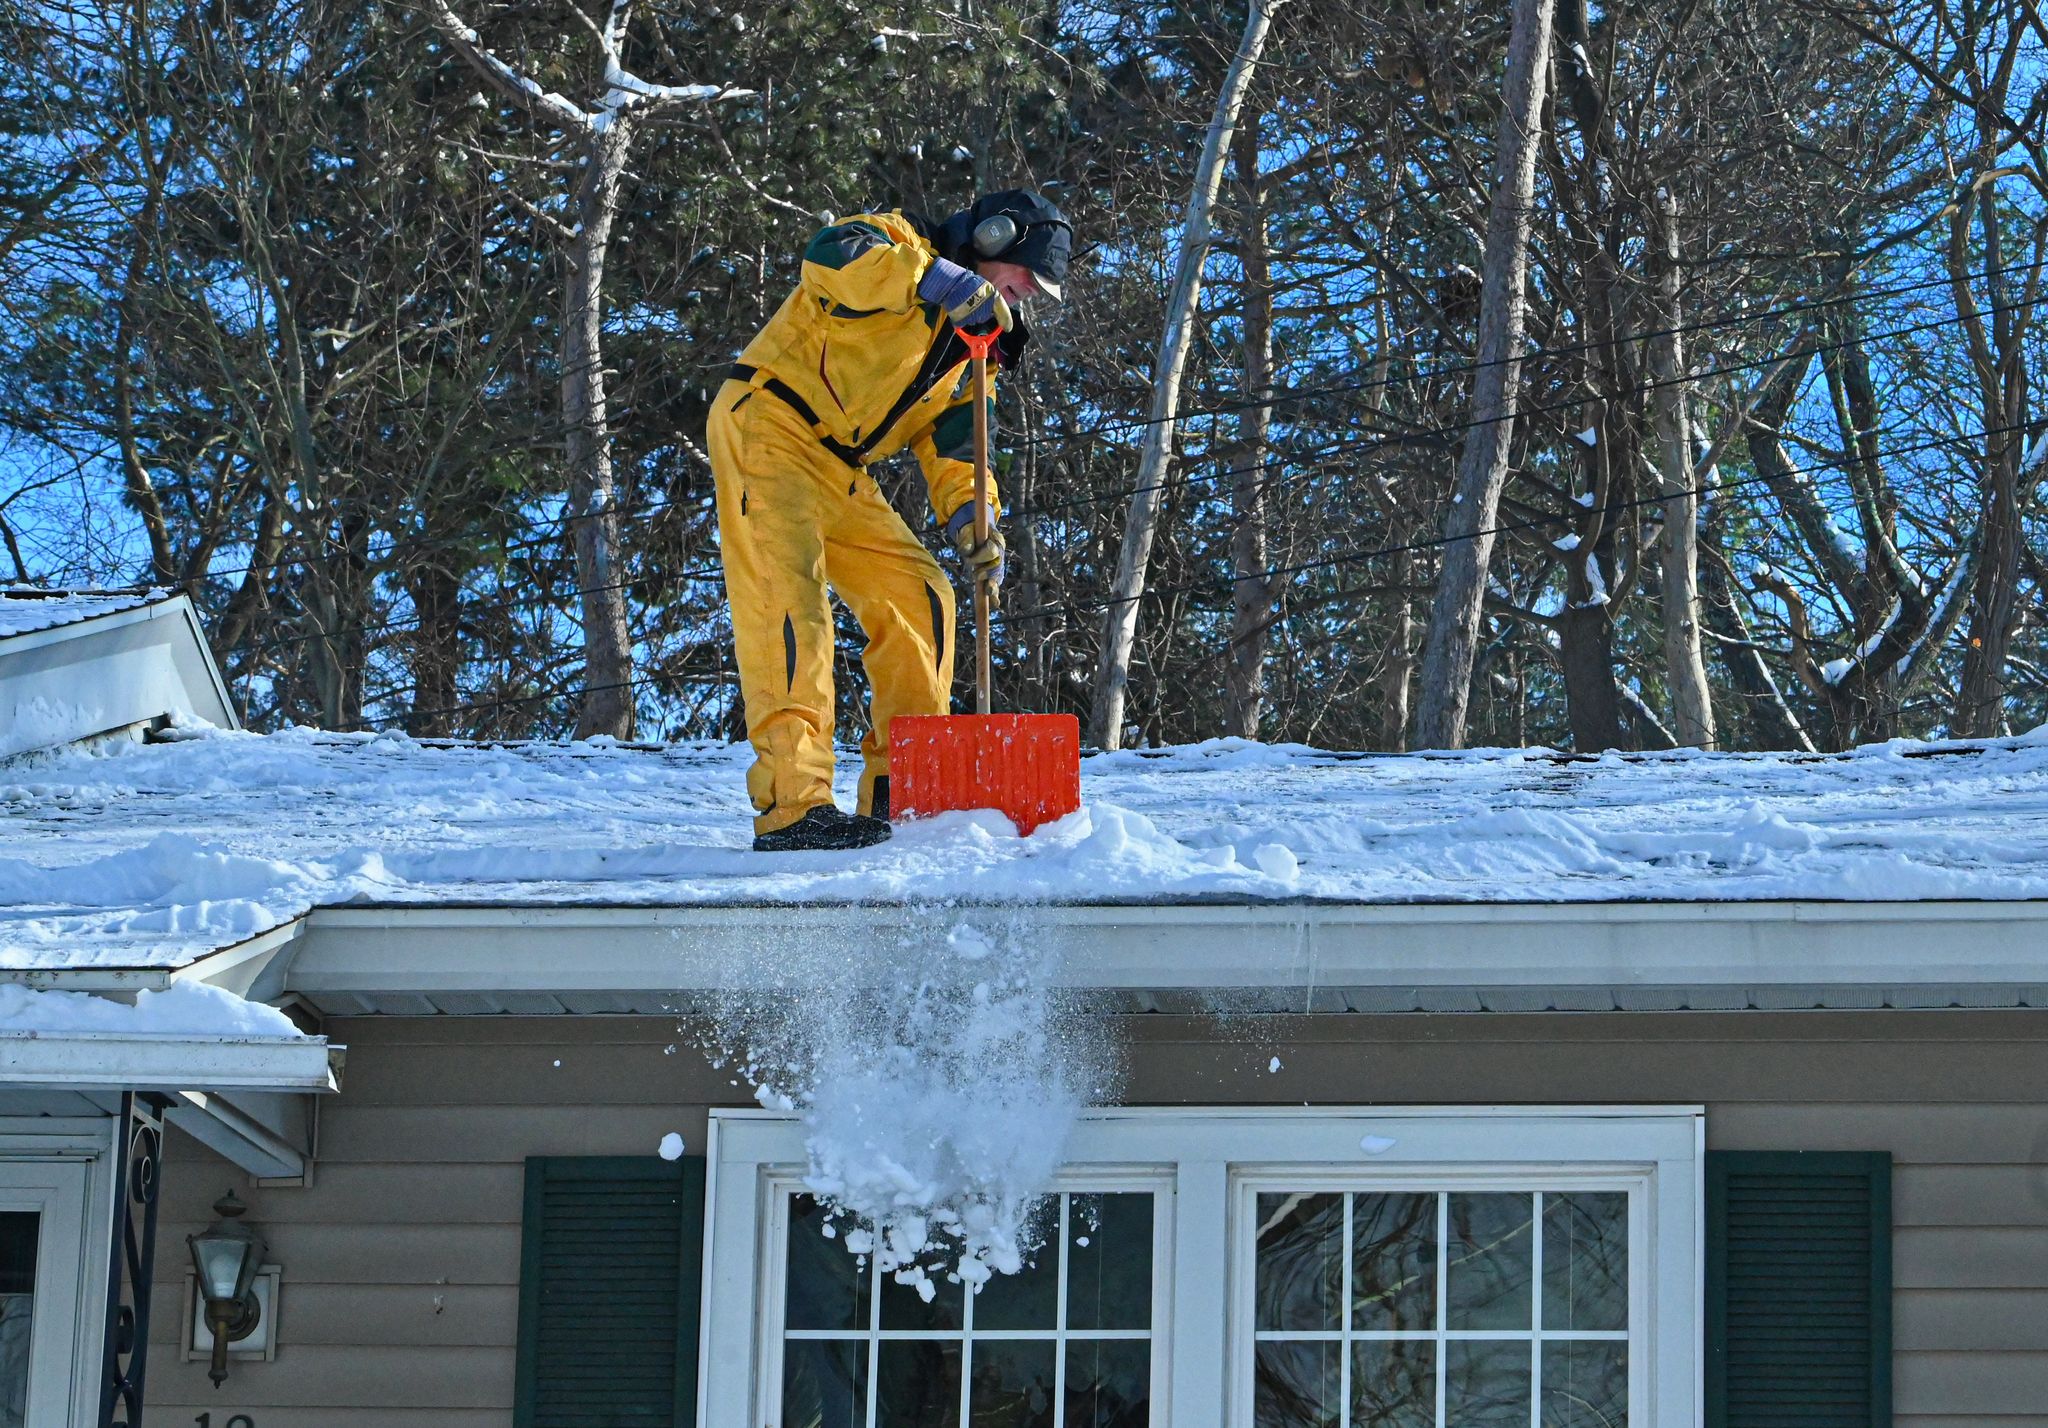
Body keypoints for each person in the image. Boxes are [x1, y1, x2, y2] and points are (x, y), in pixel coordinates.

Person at [707, 189, 1072, 851]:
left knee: (922, 598)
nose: (1028, 295)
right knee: (791, 610)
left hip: (839, 466)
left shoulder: (974, 352)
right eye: (1026, 277)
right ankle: (794, 808)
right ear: (993, 240)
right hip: (769, 420)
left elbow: (959, 444)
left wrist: (974, 516)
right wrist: (935, 279)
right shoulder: (895, 240)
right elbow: (828, 257)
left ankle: (900, 791)